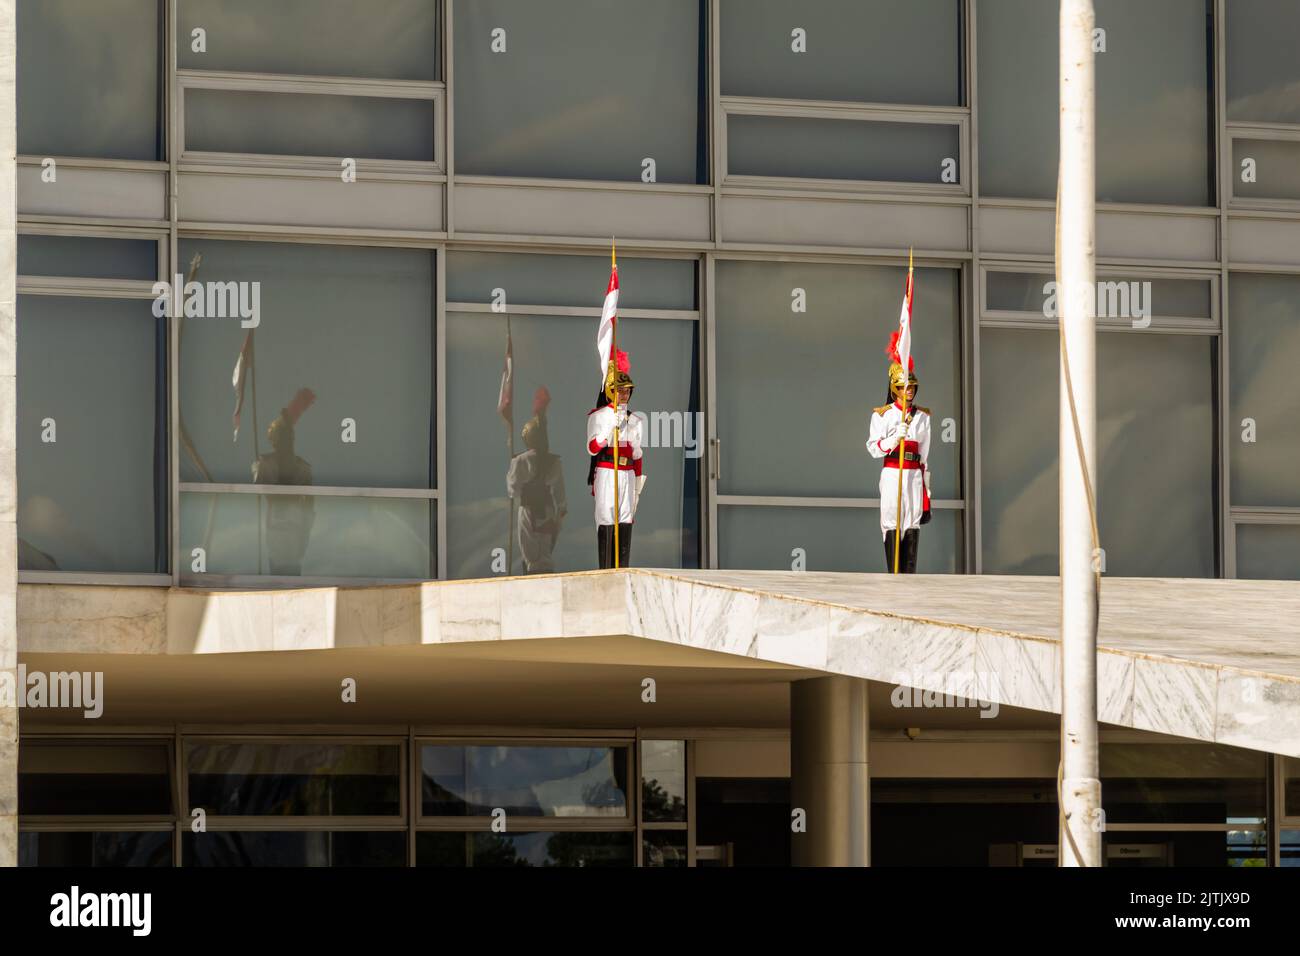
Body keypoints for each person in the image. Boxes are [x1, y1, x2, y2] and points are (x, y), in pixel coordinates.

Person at [866, 334, 931, 573]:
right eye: (904, 387)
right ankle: (893, 573)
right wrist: (895, 439)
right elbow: (873, 448)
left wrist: (926, 486)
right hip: (893, 472)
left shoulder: (923, 417)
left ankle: (908, 574)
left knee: (911, 521)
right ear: (895, 388)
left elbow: (924, 456)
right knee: (892, 520)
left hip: (913, 474)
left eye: (912, 386)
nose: (909, 391)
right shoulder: (883, 415)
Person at [586, 350, 644, 569]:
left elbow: (637, 455)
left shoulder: (636, 420)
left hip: (627, 473)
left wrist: (637, 484)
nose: (624, 395)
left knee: (626, 517)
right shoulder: (598, 416)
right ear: (610, 391)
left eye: (627, 391)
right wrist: (609, 429)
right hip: (607, 470)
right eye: (619, 391)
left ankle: (622, 568)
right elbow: (592, 448)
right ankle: (606, 570)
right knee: (606, 515)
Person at [253, 386, 316, 576]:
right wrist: (294, 410)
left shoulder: (298, 469)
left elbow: (309, 506)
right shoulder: (266, 465)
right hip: (283, 522)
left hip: (291, 521)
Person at [507, 386, 567, 574]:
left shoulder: (520, 460)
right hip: (548, 509)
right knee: (544, 551)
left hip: (528, 509)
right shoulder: (553, 461)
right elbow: (559, 489)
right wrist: (561, 508)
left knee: (531, 552)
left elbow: (513, 489)